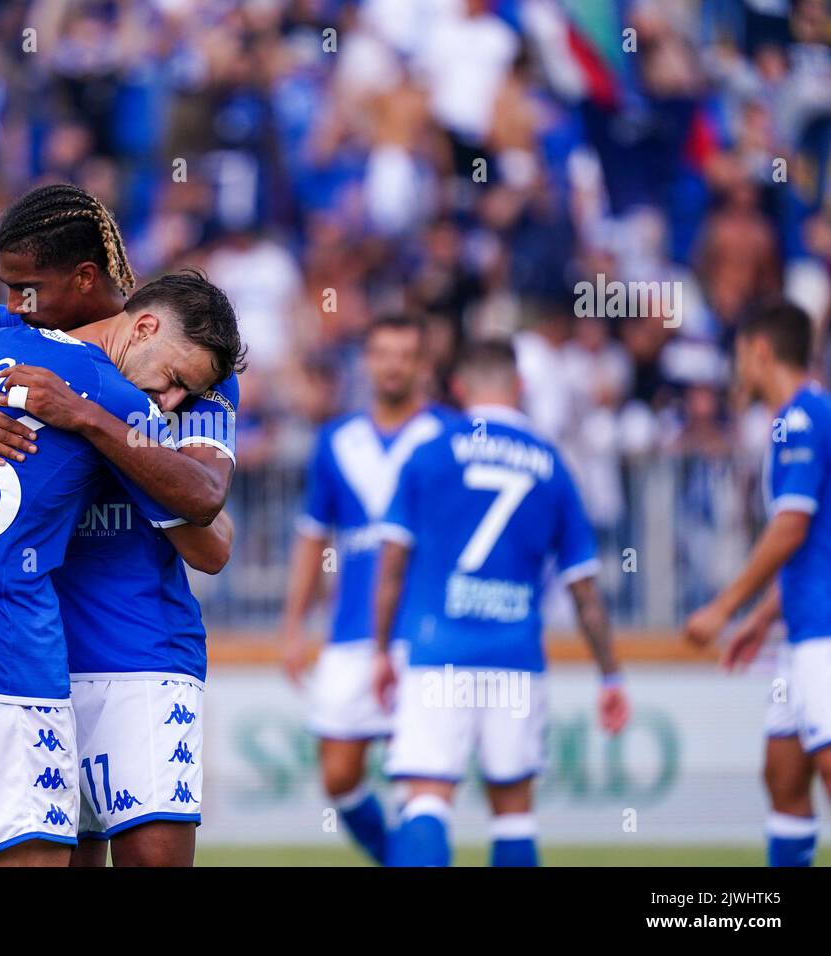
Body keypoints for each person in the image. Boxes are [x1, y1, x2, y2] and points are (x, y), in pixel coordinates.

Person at [0, 184, 245, 866]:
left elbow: (209, 530)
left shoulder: (191, 373)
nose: (15, 301)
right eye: (10, 287)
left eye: (26, 288)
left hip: (136, 652)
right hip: (31, 646)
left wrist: (96, 428)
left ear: (84, 278)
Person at [372, 341, 629, 866]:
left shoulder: (429, 451)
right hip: (516, 658)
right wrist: (610, 676)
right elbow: (584, 590)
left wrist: (380, 650)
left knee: (425, 801)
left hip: (437, 650)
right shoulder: (552, 464)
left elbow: (392, 565)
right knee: (513, 813)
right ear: (520, 388)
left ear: (460, 389)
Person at [280, 316, 447, 864]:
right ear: (368, 361)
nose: (394, 364)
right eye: (383, 353)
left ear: (422, 364)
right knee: (338, 777)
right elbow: (312, 539)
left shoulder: (448, 436)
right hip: (351, 632)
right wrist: (292, 628)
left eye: (406, 354)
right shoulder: (337, 439)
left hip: (423, 634)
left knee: (415, 783)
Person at [684, 298, 831, 867]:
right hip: (800, 630)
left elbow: (790, 529)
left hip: (823, 630)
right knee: (784, 777)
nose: (737, 368)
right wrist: (760, 620)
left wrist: (723, 607)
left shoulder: (799, 418)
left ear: (760, 351)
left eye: (740, 355)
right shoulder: (804, 416)